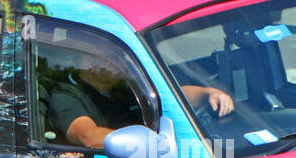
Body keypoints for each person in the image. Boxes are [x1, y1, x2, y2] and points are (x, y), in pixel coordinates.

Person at [46, 64, 233, 149]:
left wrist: (206, 93)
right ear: (83, 58)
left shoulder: (121, 89)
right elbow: (88, 137)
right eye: (108, 58)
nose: (116, 66)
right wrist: (148, 143)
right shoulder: (65, 96)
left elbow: (169, 97)